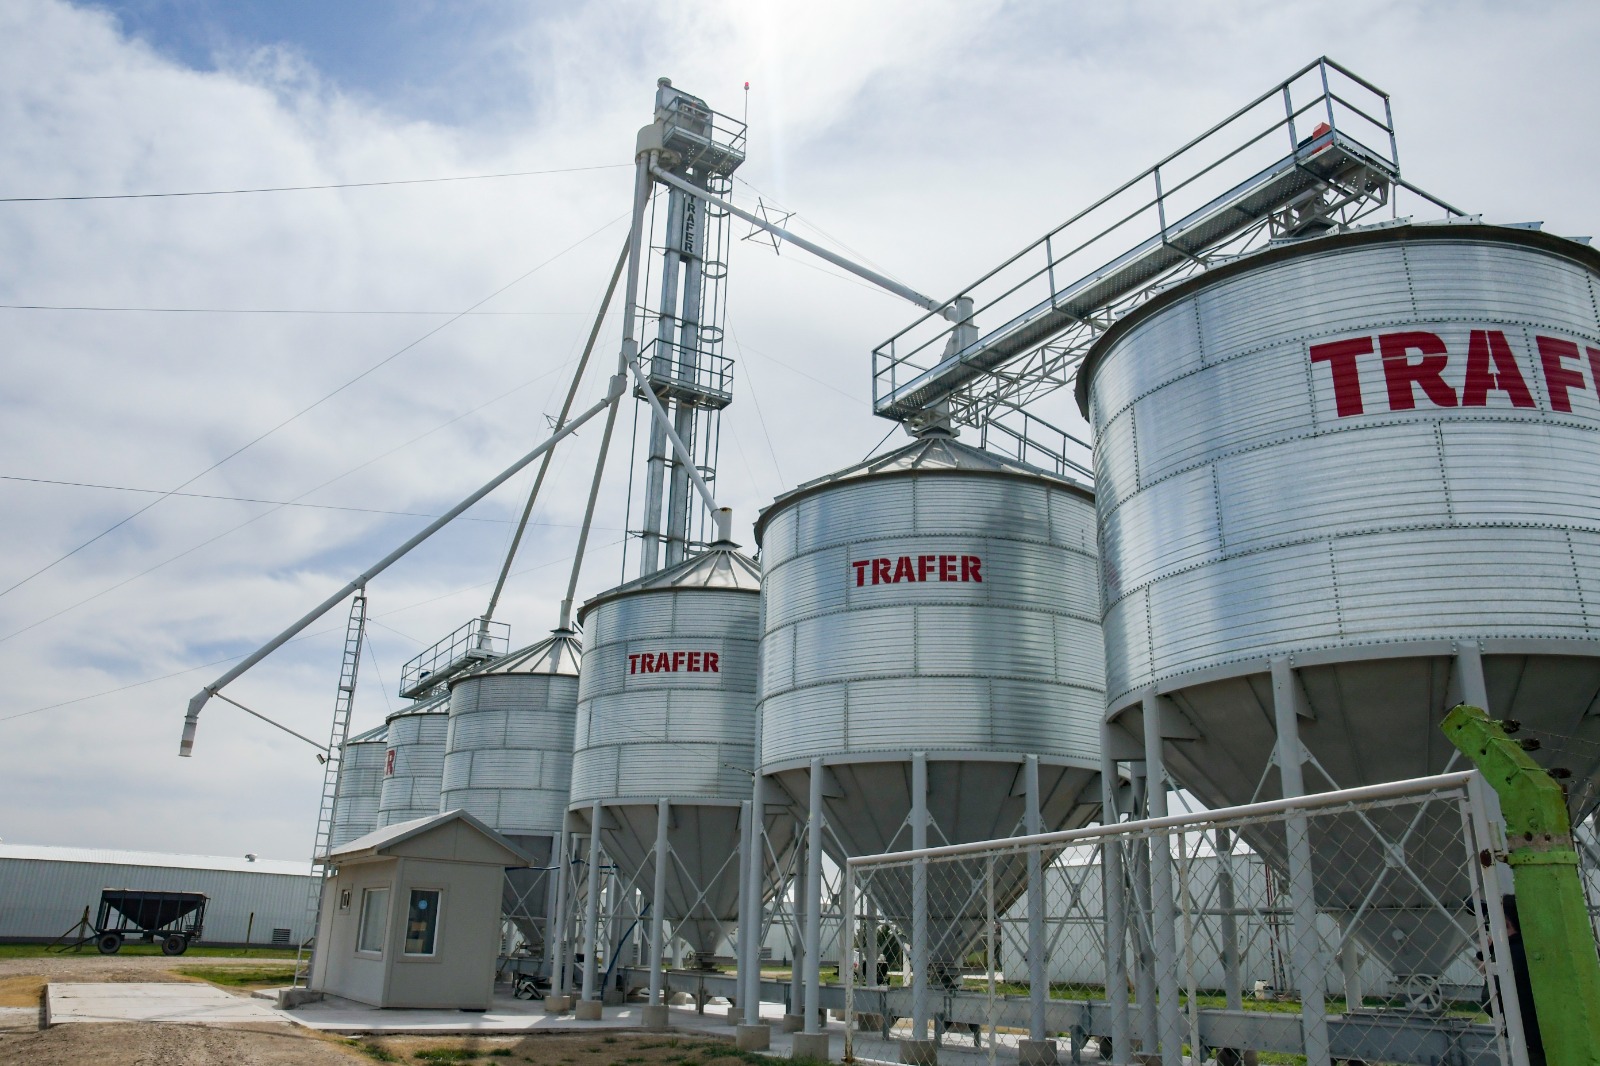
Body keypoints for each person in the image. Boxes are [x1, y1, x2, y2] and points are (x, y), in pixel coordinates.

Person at [1501, 895, 1545, 1066]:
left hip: (1529, 1041)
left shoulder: (1509, 955)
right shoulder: (1536, 949)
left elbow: (1491, 1003)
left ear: (1505, 924)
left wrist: (1489, 971)